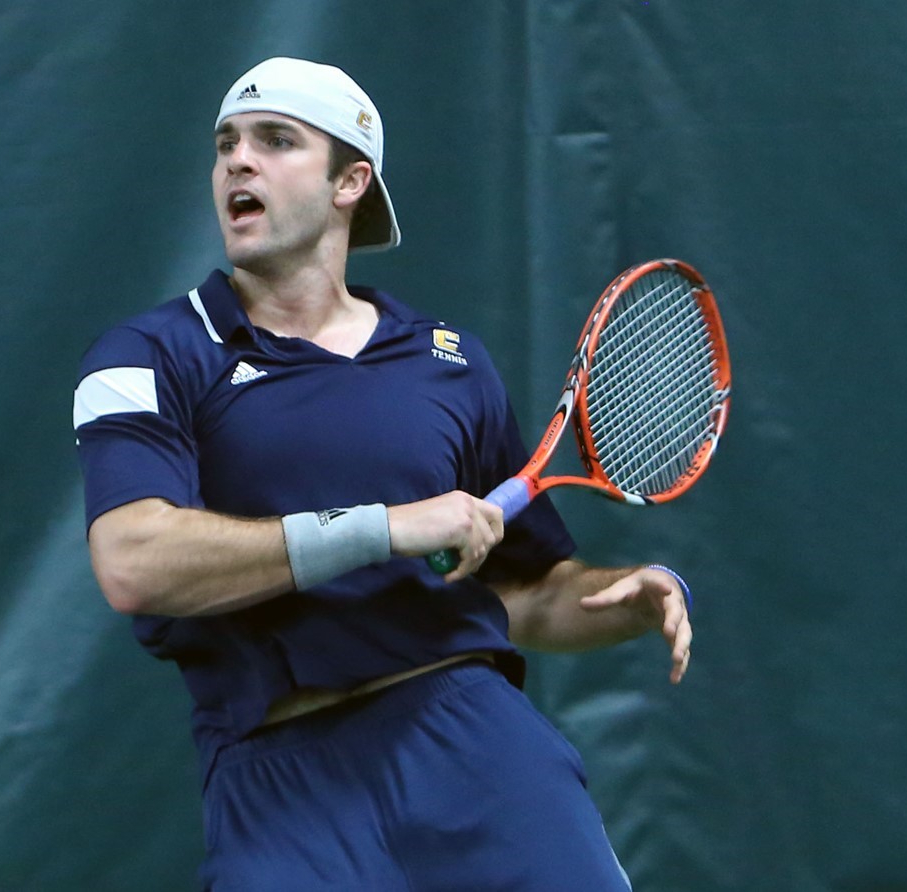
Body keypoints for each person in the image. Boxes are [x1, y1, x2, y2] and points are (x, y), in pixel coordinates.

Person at [73, 56, 693, 891]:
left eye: (275, 140)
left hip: (476, 748)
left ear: (350, 181)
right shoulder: (151, 353)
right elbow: (132, 560)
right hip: (275, 781)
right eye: (226, 144)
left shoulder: (449, 363)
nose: (237, 162)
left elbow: (521, 591)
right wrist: (385, 527)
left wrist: (624, 596)